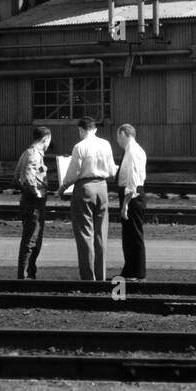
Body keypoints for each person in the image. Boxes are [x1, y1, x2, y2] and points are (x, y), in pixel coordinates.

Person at [57, 116, 117, 281]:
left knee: (85, 234)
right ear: (95, 129)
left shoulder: (79, 146)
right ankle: (101, 276)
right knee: (100, 234)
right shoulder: (106, 144)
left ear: (81, 130)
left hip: (85, 189)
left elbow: (73, 173)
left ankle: (88, 278)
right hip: (103, 188)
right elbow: (112, 170)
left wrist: (63, 187)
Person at [13, 126, 52, 279]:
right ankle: (24, 275)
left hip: (27, 200)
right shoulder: (34, 154)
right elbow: (29, 176)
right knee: (32, 239)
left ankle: (29, 273)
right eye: (49, 140)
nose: (49, 143)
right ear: (45, 139)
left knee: (31, 237)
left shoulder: (26, 153)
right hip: (34, 202)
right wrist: (36, 193)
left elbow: (15, 177)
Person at [115, 123, 148, 281]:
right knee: (129, 236)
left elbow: (133, 181)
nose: (117, 141)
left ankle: (137, 272)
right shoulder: (133, 150)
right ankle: (130, 270)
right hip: (133, 196)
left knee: (134, 235)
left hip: (132, 197)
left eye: (117, 137)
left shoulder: (133, 152)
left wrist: (125, 204)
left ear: (123, 134)